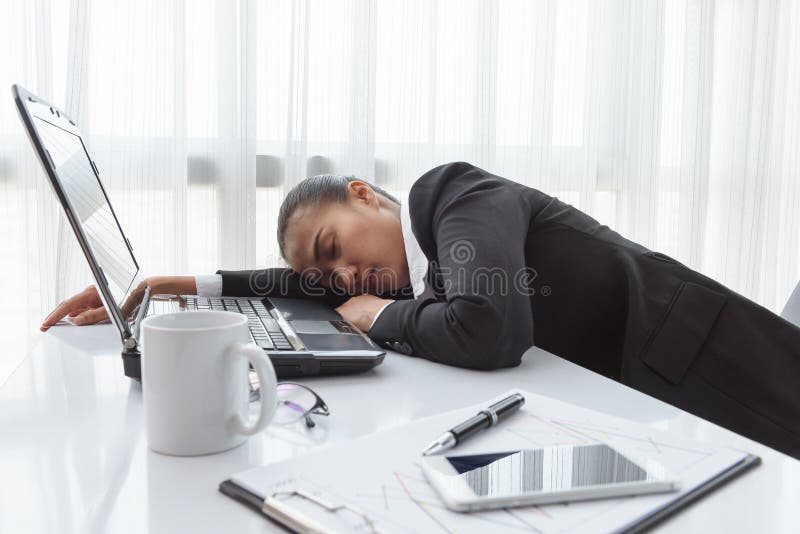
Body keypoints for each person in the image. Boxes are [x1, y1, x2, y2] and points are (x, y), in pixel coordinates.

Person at [41, 161, 800, 458]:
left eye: (335, 244)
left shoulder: (454, 197)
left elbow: (490, 329)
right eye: (327, 270)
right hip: (641, 400)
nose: (341, 274)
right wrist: (182, 290)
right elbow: (305, 284)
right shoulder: (415, 272)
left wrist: (377, 319)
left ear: (367, 194)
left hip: (705, 356)